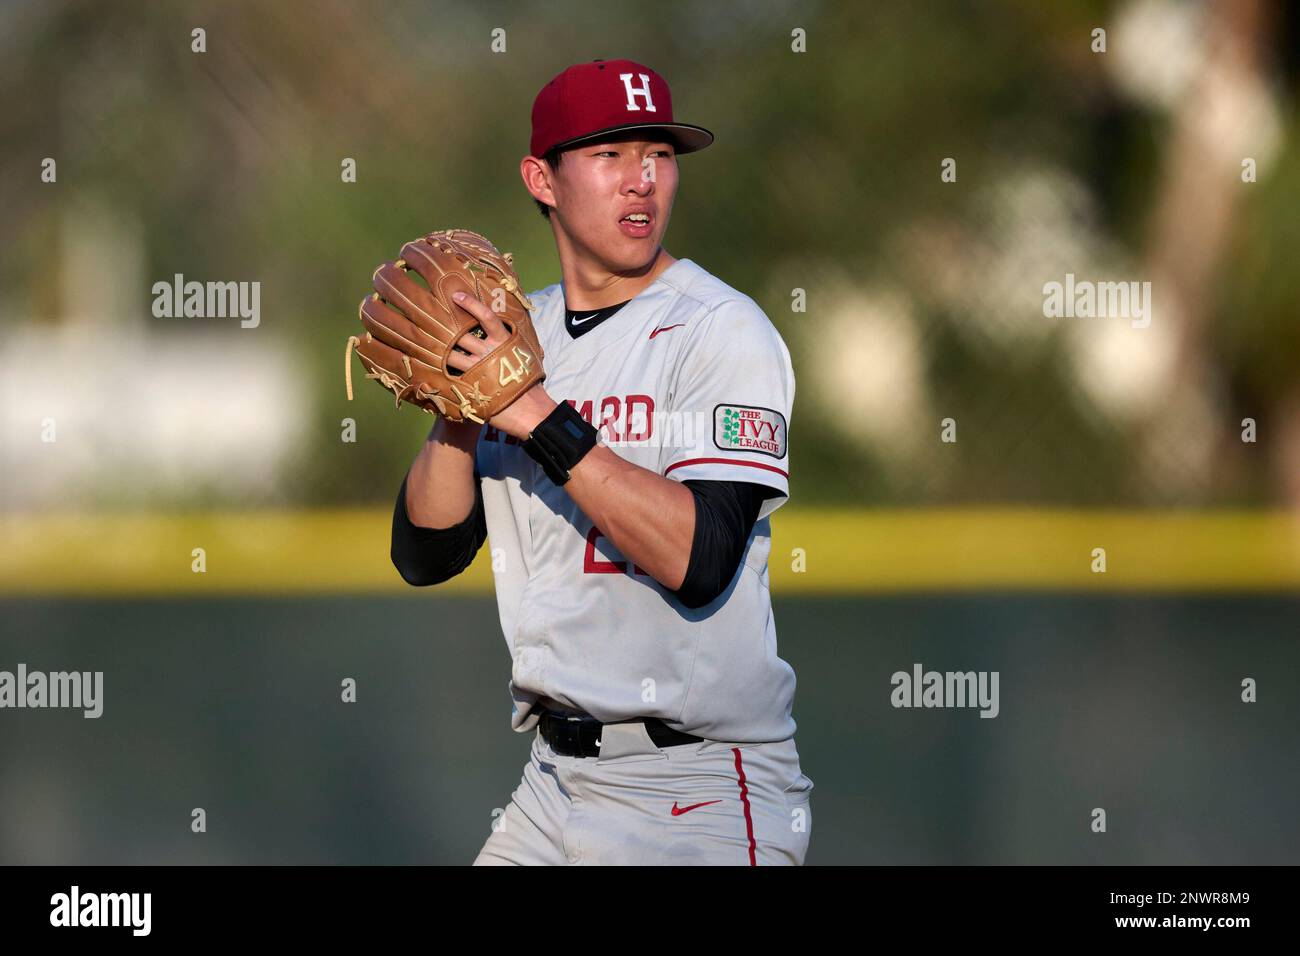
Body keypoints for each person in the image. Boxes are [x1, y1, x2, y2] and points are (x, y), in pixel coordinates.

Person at [391, 58, 811, 865]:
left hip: (698, 789)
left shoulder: (721, 329)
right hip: (552, 785)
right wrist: (454, 417)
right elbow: (425, 556)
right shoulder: (518, 334)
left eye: (657, 154)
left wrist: (532, 412)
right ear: (541, 179)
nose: (641, 181)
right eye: (609, 155)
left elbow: (700, 558)